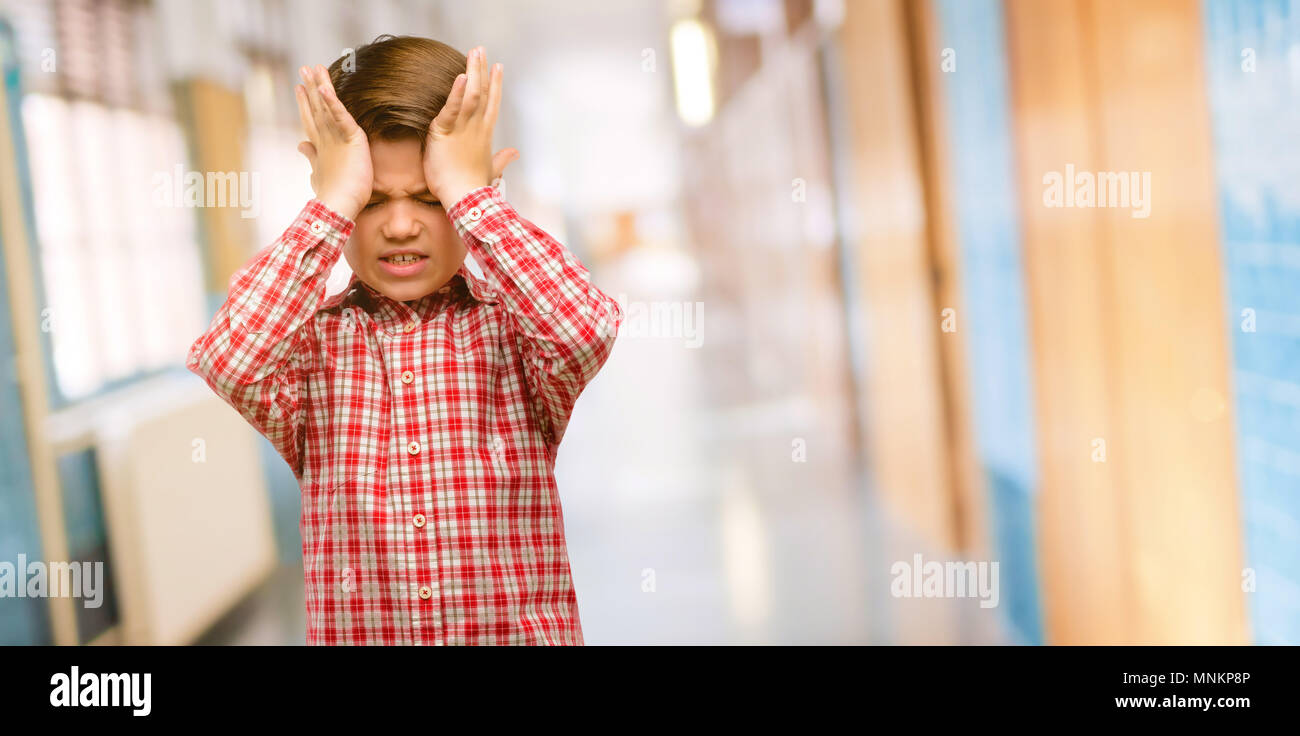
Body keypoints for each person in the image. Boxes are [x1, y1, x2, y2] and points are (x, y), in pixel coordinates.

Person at [186, 35, 622, 645]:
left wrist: (472, 198)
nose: (397, 225)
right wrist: (333, 200)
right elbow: (229, 360)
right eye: (370, 201)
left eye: (429, 198)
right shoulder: (313, 347)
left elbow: (585, 330)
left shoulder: (514, 331)